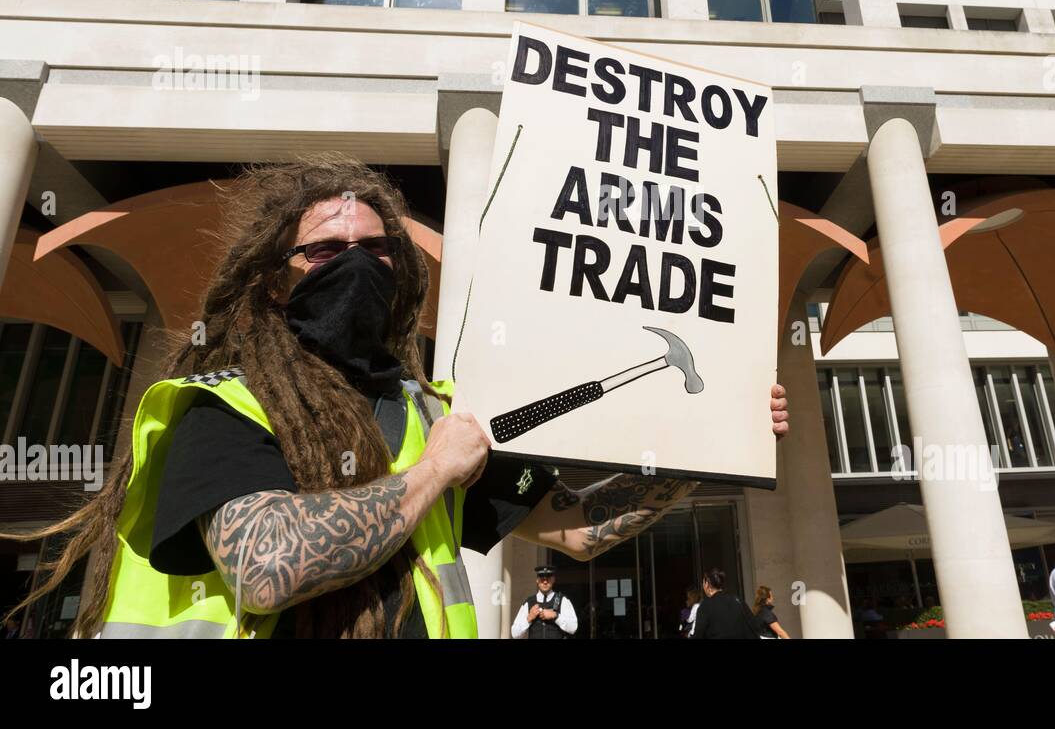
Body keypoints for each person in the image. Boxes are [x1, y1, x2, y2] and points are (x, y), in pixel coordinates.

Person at [0, 155, 792, 639]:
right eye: (327, 251)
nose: (358, 263)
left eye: (378, 249)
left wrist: (714, 440)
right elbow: (265, 564)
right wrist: (432, 474)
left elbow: (578, 529)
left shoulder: (429, 414)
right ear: (277, 279)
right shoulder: (224, 403)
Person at [690, 568, 759, 639]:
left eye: (703, 583)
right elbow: (754, 624)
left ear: (707, 584)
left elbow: (698, 635)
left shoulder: (705, 606)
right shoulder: (737, 600)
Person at [510, 565, 577, 639]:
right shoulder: (529, 602)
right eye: (542, 578)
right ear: (537, 580)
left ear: (553, 579)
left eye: (548, 578)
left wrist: (556, 616)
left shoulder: (563, 600)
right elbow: (515, 634)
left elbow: (573, 628)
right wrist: (529, 618)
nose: (545, 582)